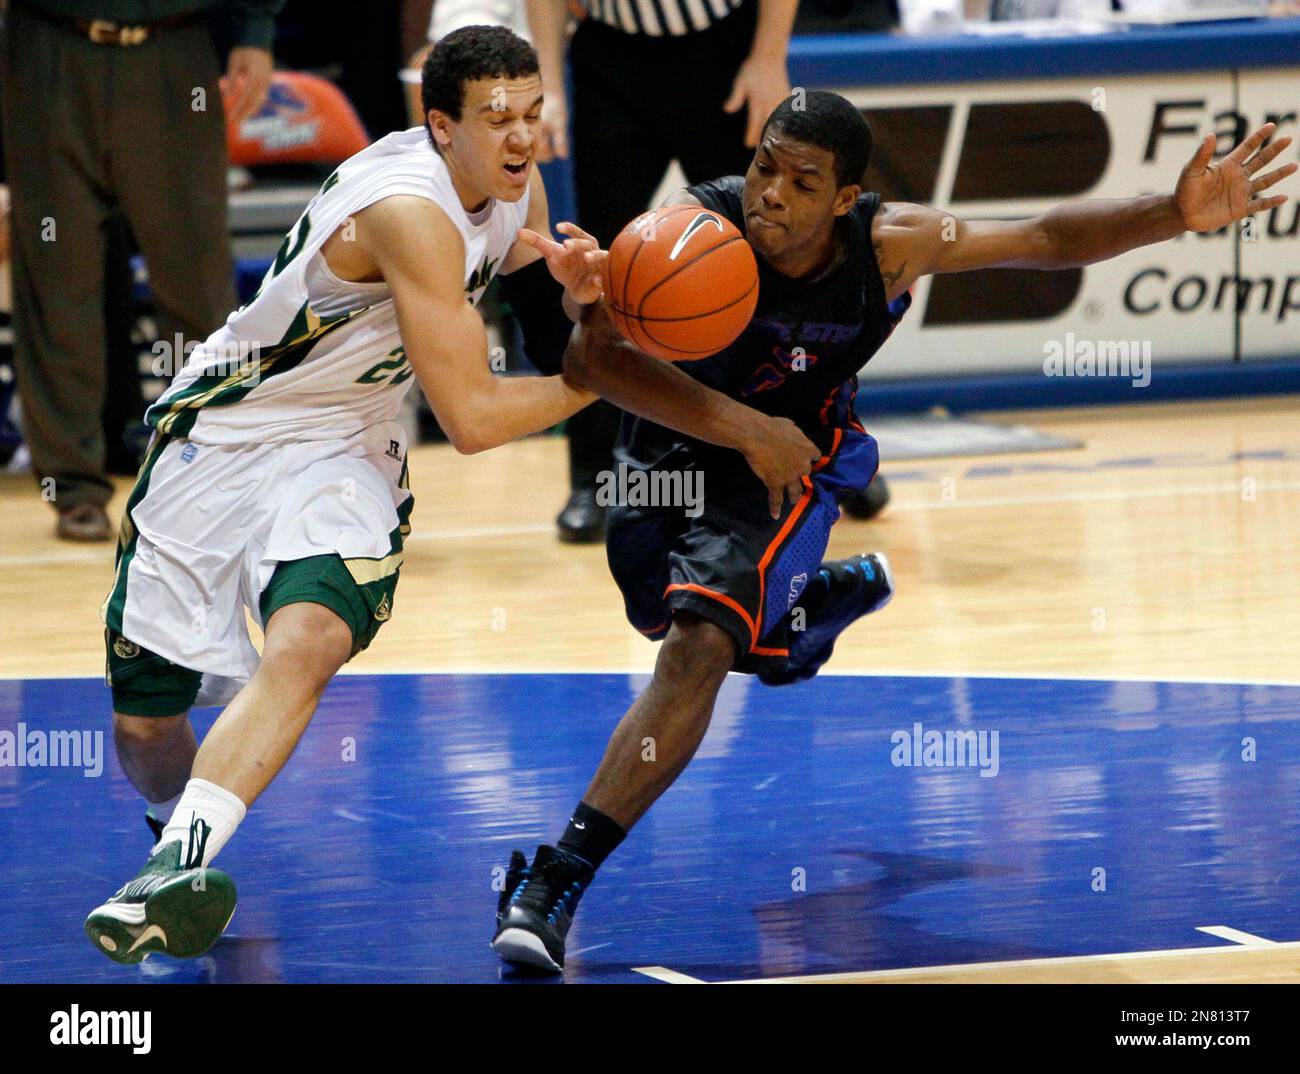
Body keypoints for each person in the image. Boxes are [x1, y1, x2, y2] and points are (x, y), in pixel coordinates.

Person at [490, 91, 1296, 972]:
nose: (772, 194)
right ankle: (802, 613)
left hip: (795, 464)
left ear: (844, 200)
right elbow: (591, 363)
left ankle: (557, 875)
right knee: (671, 612)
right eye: (765, 166)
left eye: (803, 182)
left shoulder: (892, 245)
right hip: (682, 447)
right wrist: (708, 400)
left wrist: (1175, 214)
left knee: (696, 646)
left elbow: (1046, 238)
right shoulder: (683, 229)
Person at [84, 24, 816, 966]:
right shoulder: (407, 212)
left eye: (532, 112)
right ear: (439, 126)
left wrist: (565, 274)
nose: (522, 137)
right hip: (226, 433)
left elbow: (514, 251)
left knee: (308, 640)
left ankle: (173, 870)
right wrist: (614, 377)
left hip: (345, 445)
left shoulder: (514, 185)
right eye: (496, 118)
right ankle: (169, 830)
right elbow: (472, 418)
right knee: (146, 723)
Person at [526, 0, 810, 543]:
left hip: (723, 47)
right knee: (600, 269)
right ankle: (596, 477)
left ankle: (813, 447)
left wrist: (769, 56)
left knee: (772, 251)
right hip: (611, 53)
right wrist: (549, 83)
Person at [0, 0, 280, 541]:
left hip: (173, 43)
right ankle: (73, 486)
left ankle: (208, 471)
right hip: (46, 41)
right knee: (57, 273)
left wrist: (257, 29)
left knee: (197, 279)